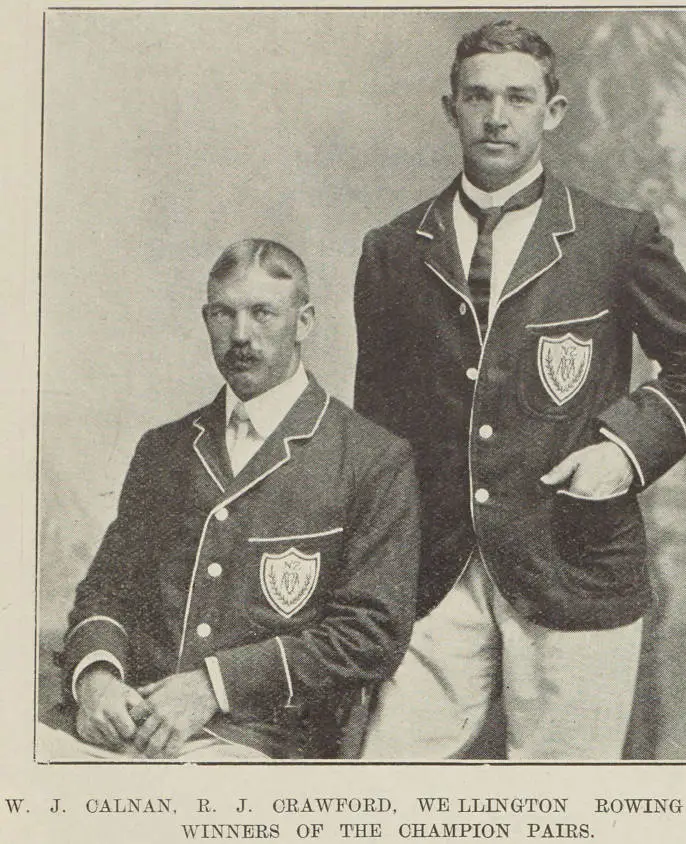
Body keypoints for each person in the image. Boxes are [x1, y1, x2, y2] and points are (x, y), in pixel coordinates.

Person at [353, 20, 686, 759]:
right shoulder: (393, 250)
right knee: (389, 774)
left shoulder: (615, 237)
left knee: (566, 796)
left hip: (572, 560)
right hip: (436, 572)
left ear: (552, 112)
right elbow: (379, 426)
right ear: (450, 108)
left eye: (519, 98)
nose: (497, 116)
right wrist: (377, 564)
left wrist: (623, 453)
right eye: (479, 97)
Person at [40, 238, 419, 761]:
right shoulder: (163, 449)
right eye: (224, 313)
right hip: (126, 729)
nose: (240, 335)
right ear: (206, 318)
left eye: (263, 313)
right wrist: (97, 679)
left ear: (304, 322)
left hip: (257, 744)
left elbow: (370, 634)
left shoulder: (372, 459)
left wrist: (213, 687)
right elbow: (107, 589)